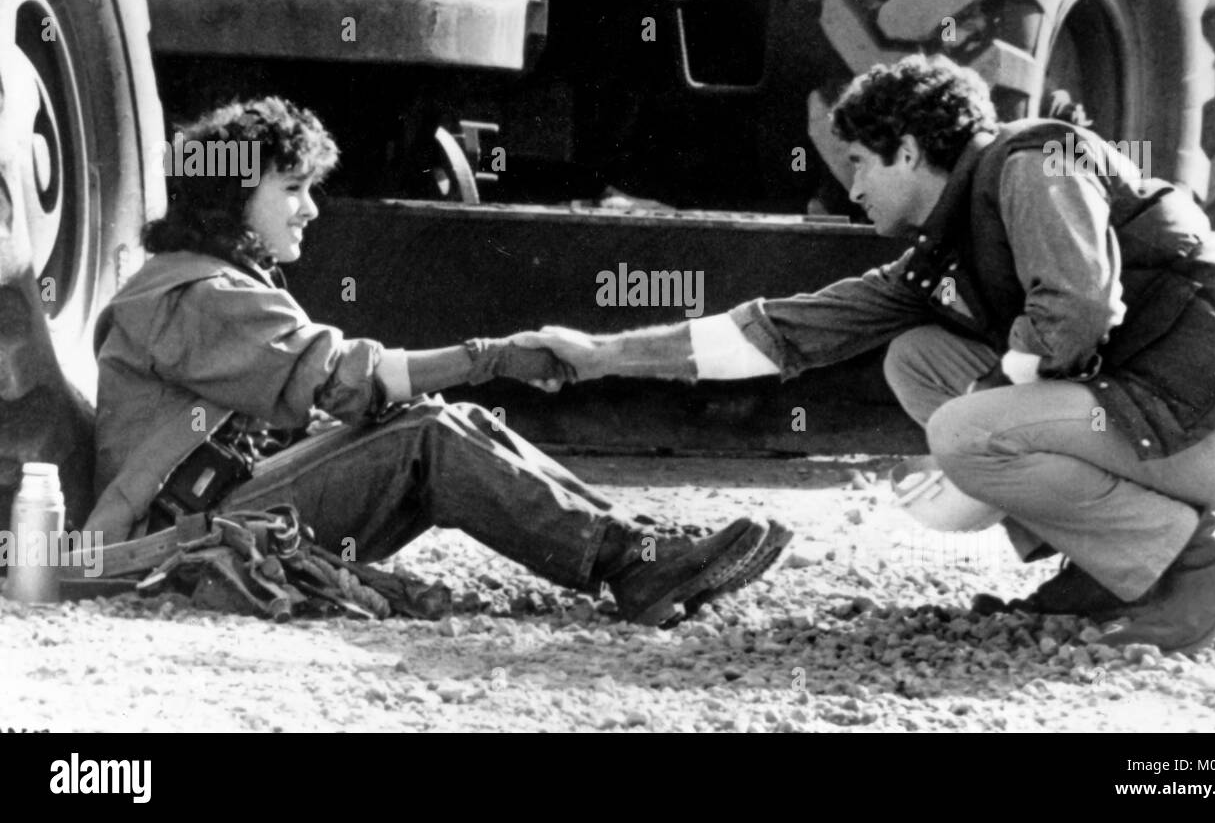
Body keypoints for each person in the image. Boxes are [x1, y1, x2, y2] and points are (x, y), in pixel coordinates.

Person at [513, 55, 1215, 653]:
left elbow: (1081, 302)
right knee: (917, 360)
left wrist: (995, 399)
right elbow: (778, 330)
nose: (848, 186)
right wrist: (598, 353)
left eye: (858, 162)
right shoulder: (939, 254)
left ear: (913, 149)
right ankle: (1108, 564)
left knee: (968, 430)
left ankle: (1208, 565)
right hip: (1165, 418)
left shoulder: (1034, 160)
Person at [84, 96, 791, 626]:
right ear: (232, 195)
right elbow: (352, 383)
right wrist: (493, 356)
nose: (310, 210)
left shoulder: (204, 282)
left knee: (441, 421)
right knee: (428, 433)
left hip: (218, 510)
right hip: (185, 539)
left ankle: (637, 551)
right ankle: (632, 564)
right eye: (292, 188)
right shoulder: (200, 294)